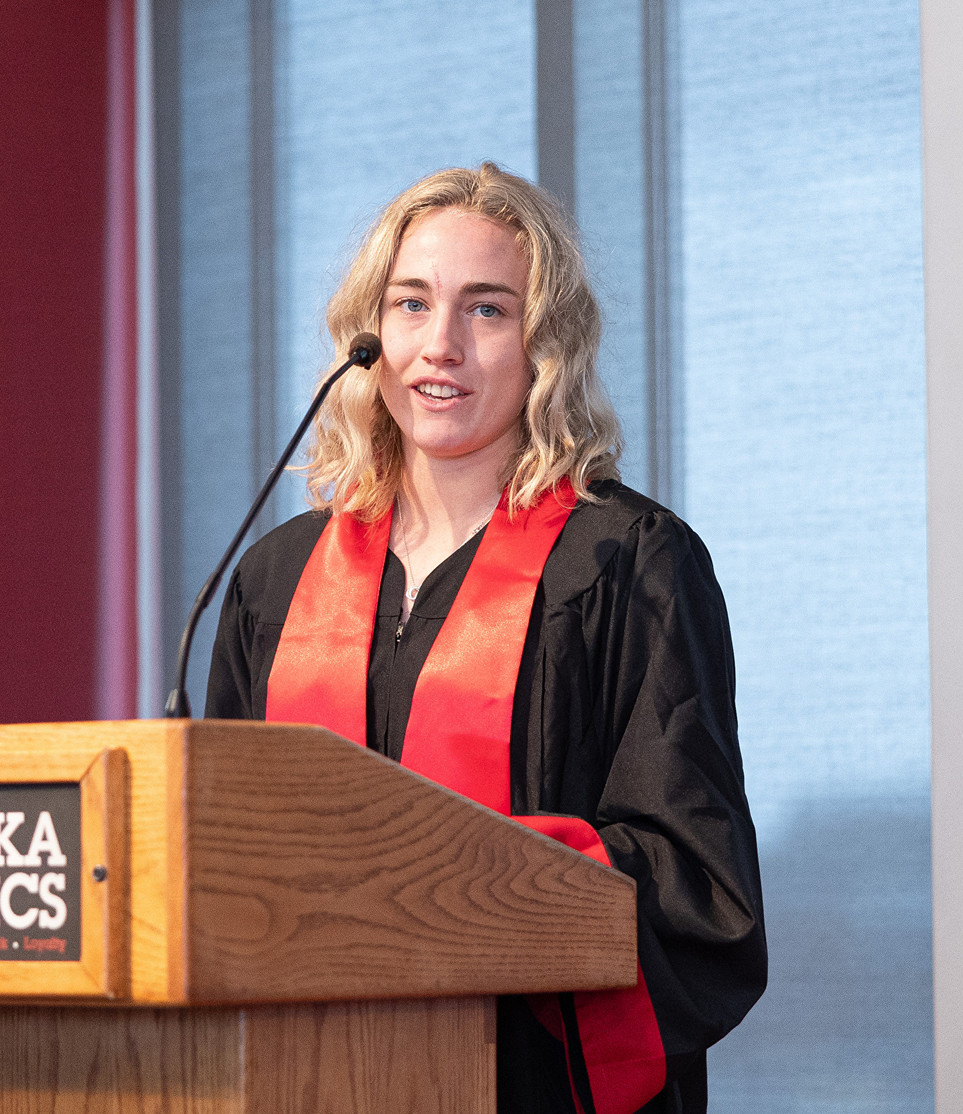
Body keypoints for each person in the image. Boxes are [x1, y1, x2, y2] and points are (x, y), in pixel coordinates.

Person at [204, 163, 765, 1114]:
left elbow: (698, 888)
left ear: (544, 344)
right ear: (369, 339)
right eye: (413, 304)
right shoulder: (276, 580)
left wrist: (466, 878)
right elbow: (220, 855)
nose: (442, 346)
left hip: (531, 1085)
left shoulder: (629, 565)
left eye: (488, 310)